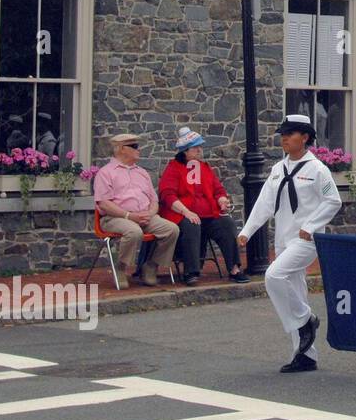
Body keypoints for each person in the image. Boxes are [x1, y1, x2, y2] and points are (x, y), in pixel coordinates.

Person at [238, 114, 342, 373]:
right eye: (282, 133)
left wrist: (311, 225)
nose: (284, 138)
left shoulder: (317, 169)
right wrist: (247, 231)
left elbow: (333, 201)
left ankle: (307, 319)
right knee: (295, 290)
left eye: (291, 133)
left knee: (273, 276)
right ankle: (305, 355)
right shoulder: (278, 169)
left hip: (306, 240)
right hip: (283, 239)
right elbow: (263, 204)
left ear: (305, 137)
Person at [158, 126, 249, 286]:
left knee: (226, 224)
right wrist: (186, 212)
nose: (200, 150)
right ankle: (191, 271)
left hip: (208, 214)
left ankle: (234, 269)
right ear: (185, 151)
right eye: (195, 148)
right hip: (182, 214)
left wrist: (222, 200)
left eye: (200, 147)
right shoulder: (173, 168)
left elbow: (218, 189)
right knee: (192, 224)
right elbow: (167, 195)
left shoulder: (204, 168)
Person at [94, 133, 181, 289]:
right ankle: (121, 268)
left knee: (171, 229)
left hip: (144, 216)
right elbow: (104, 203)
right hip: (115, 218)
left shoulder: (141, 172)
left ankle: (151, 266)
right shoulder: (106, 172)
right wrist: (129, 215)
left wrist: (151, 213)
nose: (138, 150)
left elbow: (154, 200)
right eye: (134, 147)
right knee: (134, 232)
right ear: (121, 149)